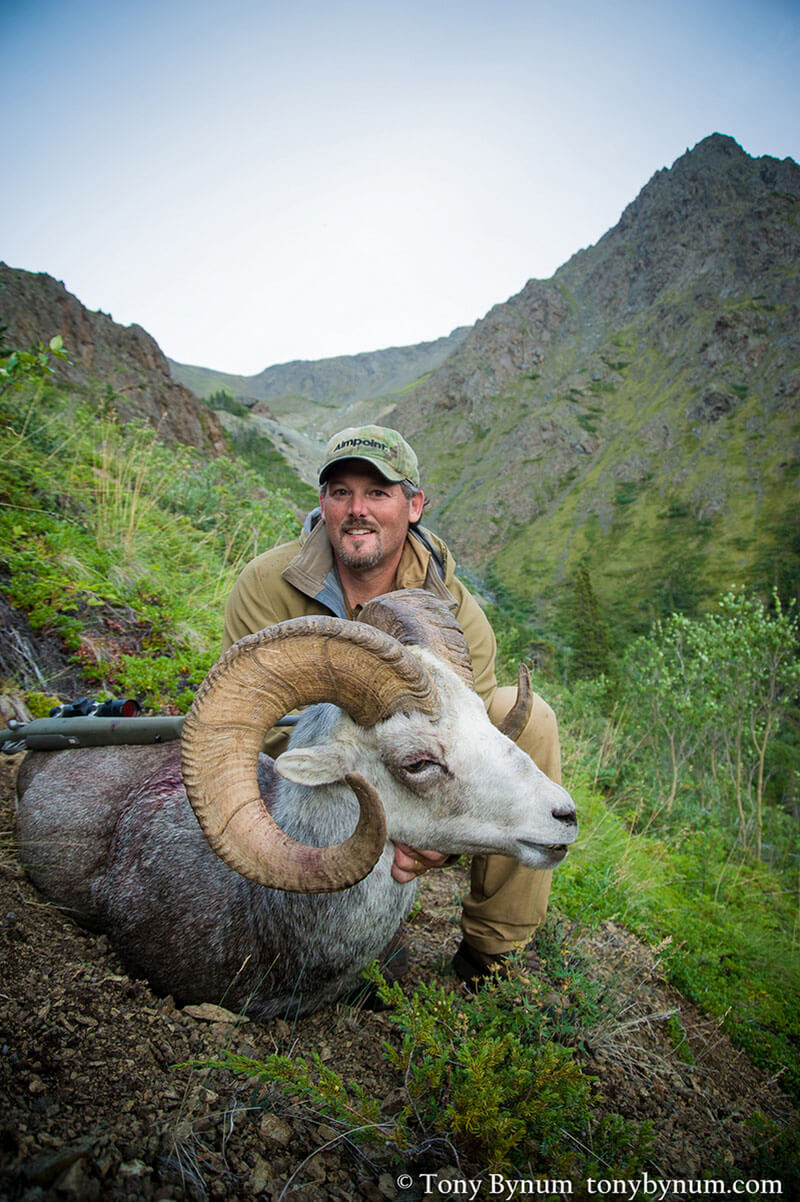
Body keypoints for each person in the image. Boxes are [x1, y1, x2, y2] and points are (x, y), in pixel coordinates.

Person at [222, 424, 563, 985]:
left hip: (425, 771)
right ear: (323, 503)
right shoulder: (266, 586)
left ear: (414, 505)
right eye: (341, 493)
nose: (358, 509)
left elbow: (465, 739)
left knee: (532, 721)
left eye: (378, 493)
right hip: (322, 783)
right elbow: (260, 730)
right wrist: (370, 800)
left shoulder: (452, 610)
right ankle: (344, 911)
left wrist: (434, 842)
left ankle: (492, 955)